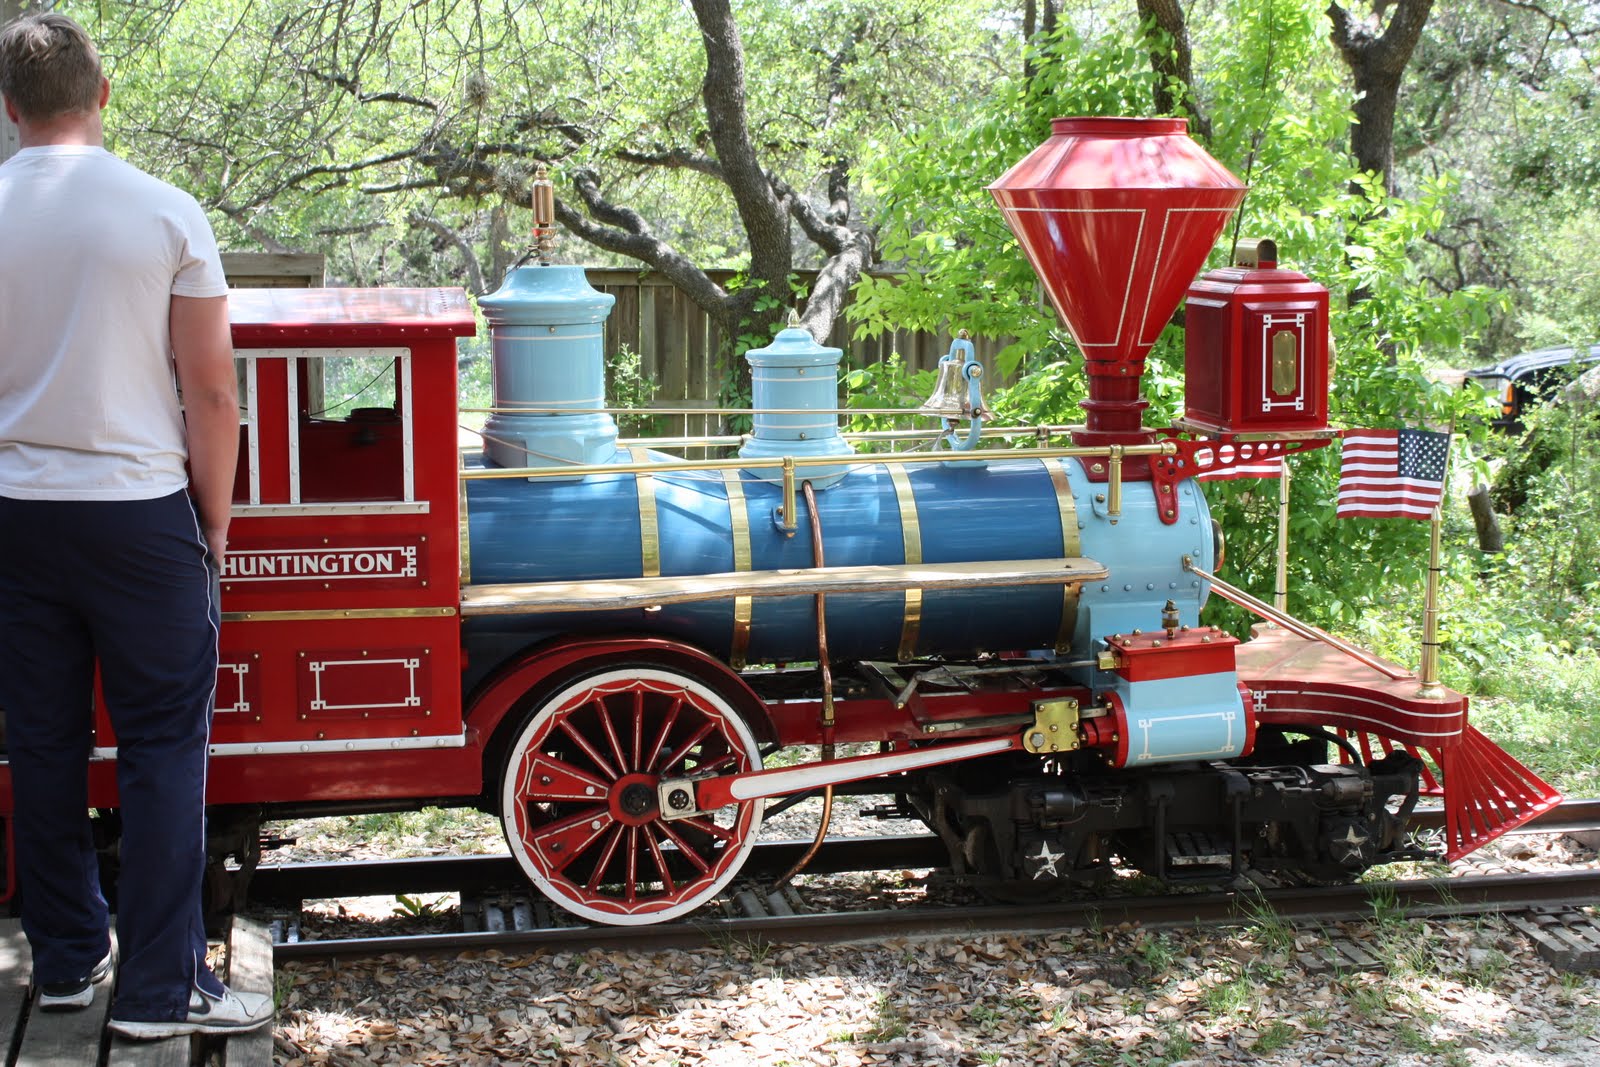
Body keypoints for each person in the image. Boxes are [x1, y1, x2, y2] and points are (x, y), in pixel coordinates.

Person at [0, 12, 272, 1039]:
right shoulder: (163, 212)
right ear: (103, 95)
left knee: (41, 741)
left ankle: (67, 962)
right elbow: (211, 392)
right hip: (138, 516)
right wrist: (215, 522)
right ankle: (161, 993)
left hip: (16, 519)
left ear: (10, 108)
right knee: (163, 748)